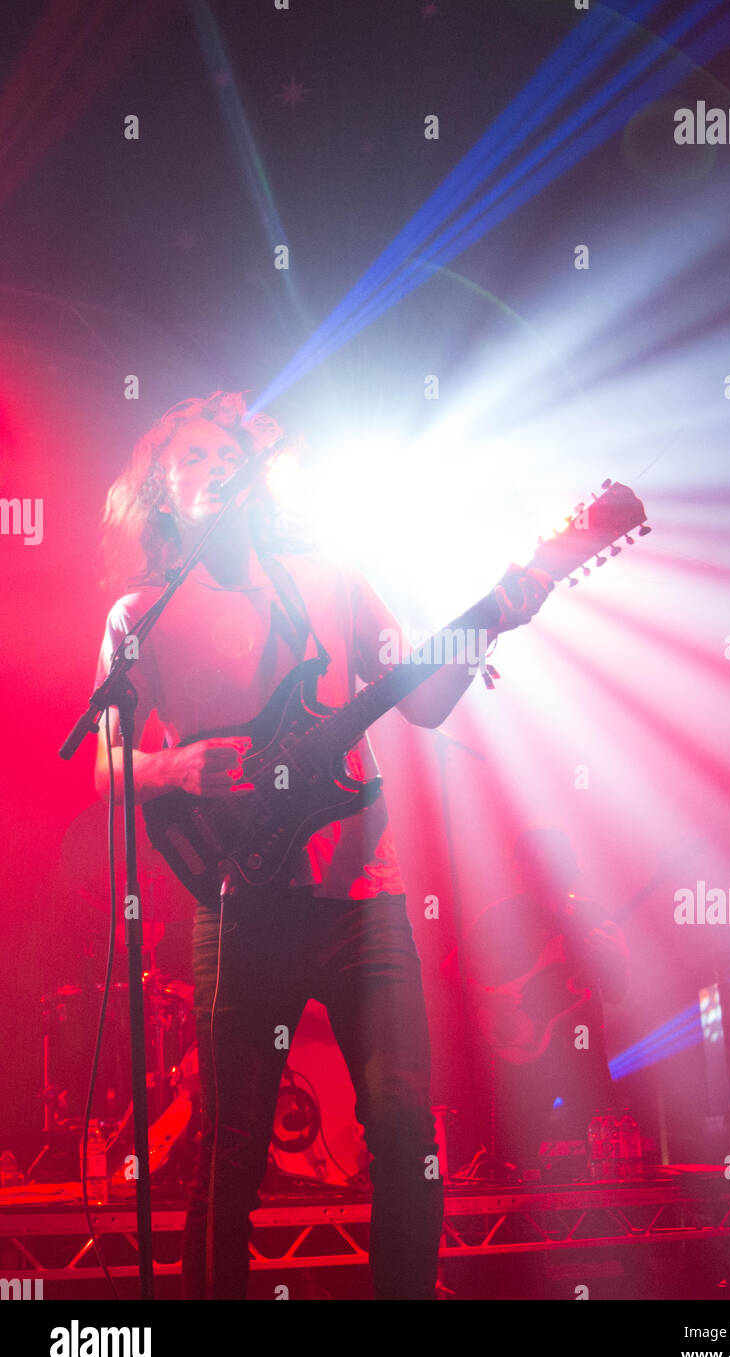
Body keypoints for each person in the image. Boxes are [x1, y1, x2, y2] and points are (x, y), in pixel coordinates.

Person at [93, 389, 554, 1299]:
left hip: (360, 898)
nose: (213, 466)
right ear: (162, 492)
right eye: (188, 458)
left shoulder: (330, 577)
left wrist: (497, 613)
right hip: (238, 900)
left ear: (255, 470)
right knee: (228, 1153)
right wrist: (178, 767)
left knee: (404, 1130)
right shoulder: (137, 615)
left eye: (225, 450)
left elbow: (422, 701)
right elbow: (107, 770)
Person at [465, 825, 628, 1170]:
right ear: (520, 868)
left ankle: (610, 1219)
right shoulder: (499, 917)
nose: (542, 869)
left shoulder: (594, 916)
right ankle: (512, 1222)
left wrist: (615, 958)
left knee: (604, 1152)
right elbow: (453, 975)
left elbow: (616, 992)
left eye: (551, 861)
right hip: (523, 1052)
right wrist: (492, 1000)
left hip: (584, 1049)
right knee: (514, 1158)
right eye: (532, 862)